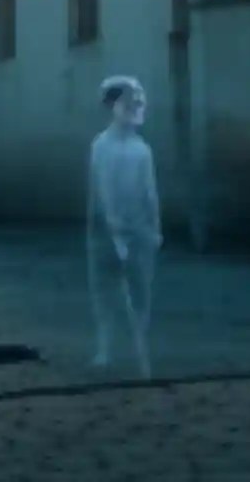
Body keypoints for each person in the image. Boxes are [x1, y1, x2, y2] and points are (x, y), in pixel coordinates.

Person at [86, 75, 162, 379]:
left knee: (140, 290)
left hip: (138, 231)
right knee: (105, 290)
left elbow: (150, 191)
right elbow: (101, 189)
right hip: (105, 232)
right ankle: (105, 349)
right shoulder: (101, 146)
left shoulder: (142, 150)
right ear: (113, 106)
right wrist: (113, 226)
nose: (138, 106)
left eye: (139, 101)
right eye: (130, 102)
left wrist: (155, 228)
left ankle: (138, 347)